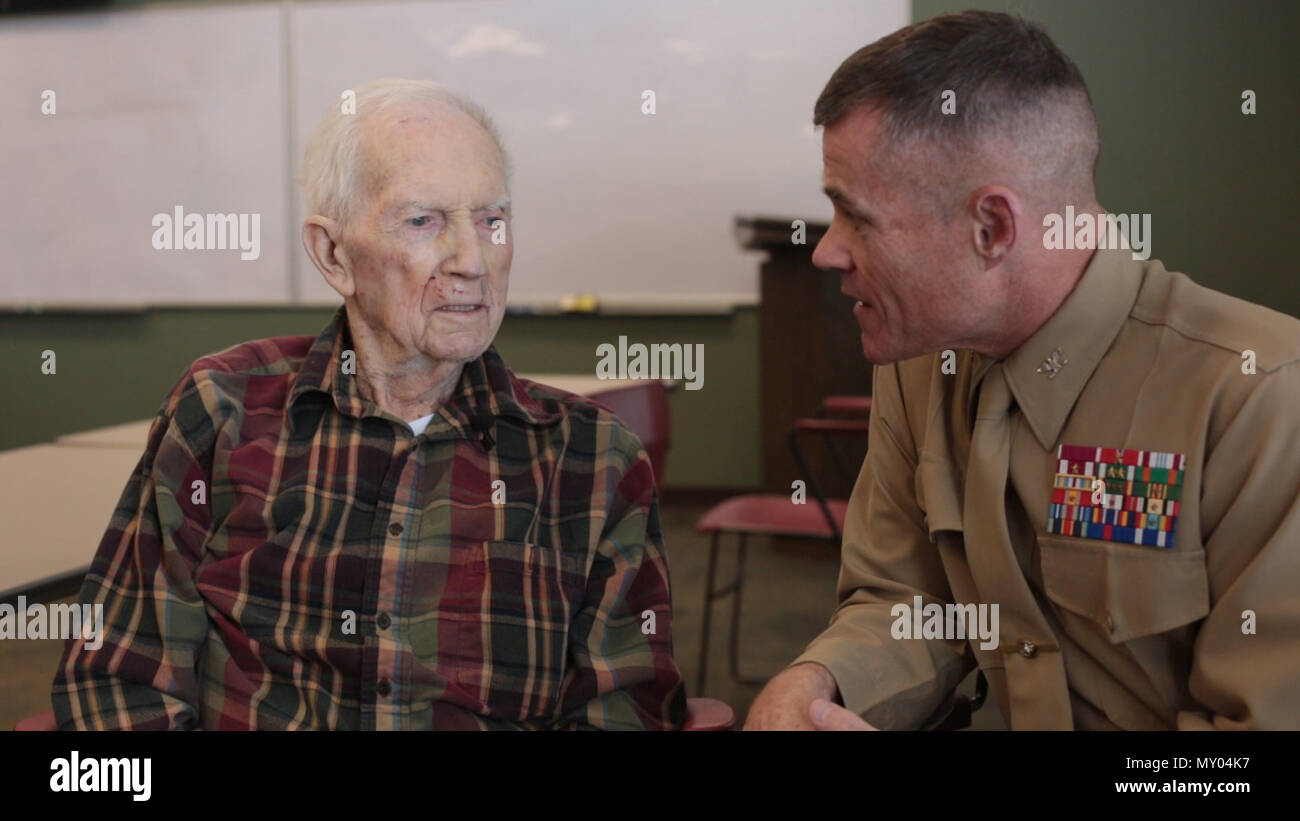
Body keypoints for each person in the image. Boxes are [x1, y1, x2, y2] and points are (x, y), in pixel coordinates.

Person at [52, 78, 686, 730]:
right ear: (333, 254)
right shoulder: (223, 411)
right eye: (423, 220)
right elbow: (118, 683)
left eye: (492, 220)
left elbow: (627, 712)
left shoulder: (592, 458)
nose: (472, 259)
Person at [746, 11, 1300, 730]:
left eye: (856, 217)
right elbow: (909, 602)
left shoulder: (1259, 397)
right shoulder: (920, 363)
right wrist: (816, 687)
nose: (827, 252)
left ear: (993, 229)